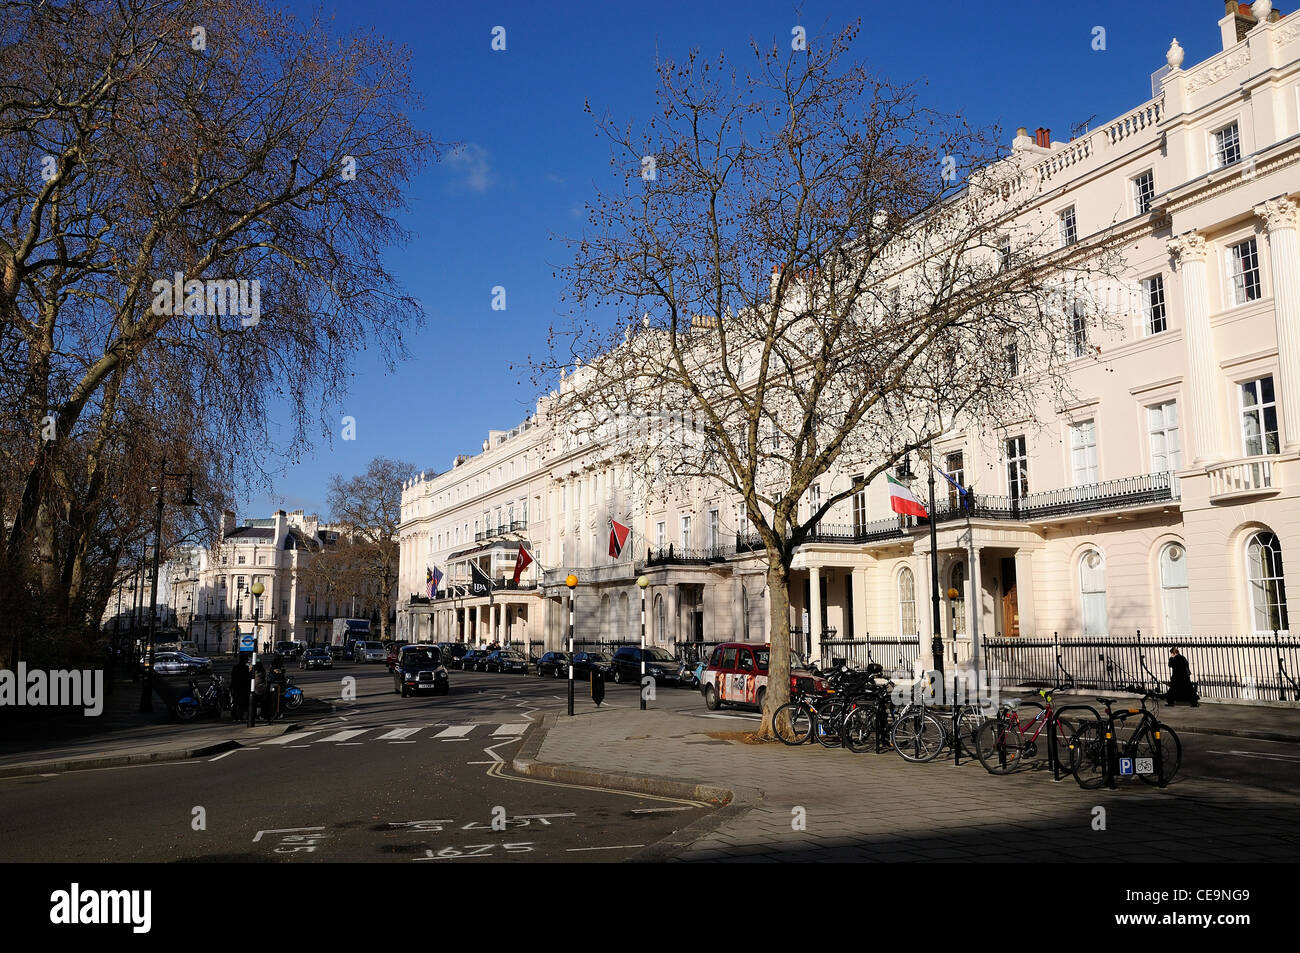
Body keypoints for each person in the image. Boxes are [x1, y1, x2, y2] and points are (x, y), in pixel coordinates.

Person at [230, 653, 251, 722]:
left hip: (236, 687)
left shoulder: (235, 667)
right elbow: (248, 678)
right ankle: (240, 716)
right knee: (241, 703)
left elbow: (232, 678)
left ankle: (234, 716)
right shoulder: (245, 668)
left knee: (235, 702)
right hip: (242, 688)